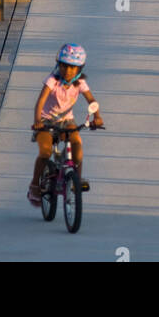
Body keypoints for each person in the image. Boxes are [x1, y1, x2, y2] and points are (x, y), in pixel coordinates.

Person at [28, 43, 104, 207]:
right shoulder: (52, 81)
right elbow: (40, 101)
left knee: (77, 146)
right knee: (45, 152)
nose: (67, 71)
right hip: (46, 121)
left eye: (72, 67)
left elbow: (91, 100)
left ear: (79, 69)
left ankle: (76, 180)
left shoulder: (80, 83)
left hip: (66, 120)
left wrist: (97, 117)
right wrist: (37, 121)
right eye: (64, 66)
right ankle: (34, 184)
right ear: (58, 65)